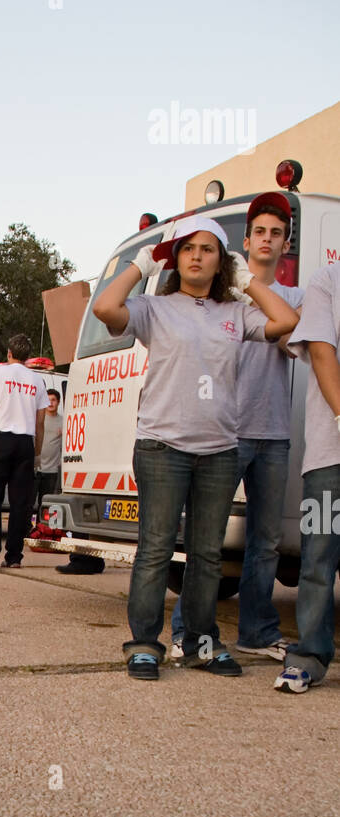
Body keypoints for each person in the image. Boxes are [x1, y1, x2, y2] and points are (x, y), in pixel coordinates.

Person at [92, 214, 299, 681]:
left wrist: (245, 281)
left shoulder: (235, 314)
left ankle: (201, 644)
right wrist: (140, 264)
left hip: (220, 450)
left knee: (207, 555)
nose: (197, 257)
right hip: (162, 447)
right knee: (156, 550)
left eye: (208, 250)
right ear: (176, 259)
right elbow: (106, 308)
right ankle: (145, 644)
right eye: (188, 249)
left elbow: (285, 320)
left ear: (220, 261)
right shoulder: (154, 307)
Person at [170, 193, 306, 661]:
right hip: (223, 430)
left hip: (273, 432)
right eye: (260, 232)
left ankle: (257, 632)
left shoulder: (293, 297)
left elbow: (292, 342)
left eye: (277, 234)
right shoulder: (221, 294)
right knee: (206, 540)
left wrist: (259, 292)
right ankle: (185, 630)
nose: (268, 240)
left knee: (265, 541)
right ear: (245, 241)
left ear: (286, 245)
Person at [274, 262, 340, 693]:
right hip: (329, 452)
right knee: (318, 559)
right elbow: (320, 350)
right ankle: (310, 657)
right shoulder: (328, 279)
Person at [0, 334, 48, 570]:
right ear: (27, 357)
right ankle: (14, 556)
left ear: (9, 353)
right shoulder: (37, 380)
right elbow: (40, 420)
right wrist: (37, 452)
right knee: (19, 503)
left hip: (1, 440)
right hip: (25, 442)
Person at [36, 388, 63, 518]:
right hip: (35, 469)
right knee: (28, 502)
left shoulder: (63, 422)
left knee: (46, 504)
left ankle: (43, 530)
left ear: (58, 402)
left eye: (54, 400)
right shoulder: (38, 418)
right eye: (48, 400)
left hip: (52, 471)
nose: (51, 403)